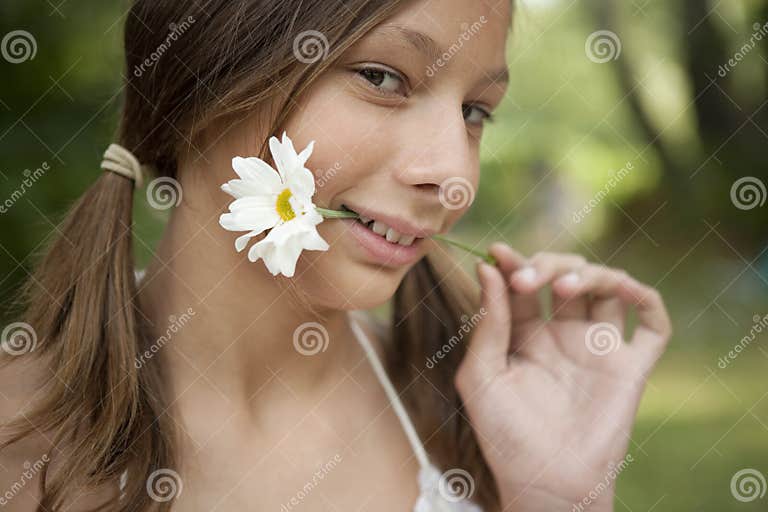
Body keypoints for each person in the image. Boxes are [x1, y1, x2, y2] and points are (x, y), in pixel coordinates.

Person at [0, 0, 671, 510]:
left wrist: (557, 498)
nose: (453, 174)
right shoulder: (18, 440)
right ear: (207, 80)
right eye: (383, 77)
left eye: (474, 112)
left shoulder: (465, 411)